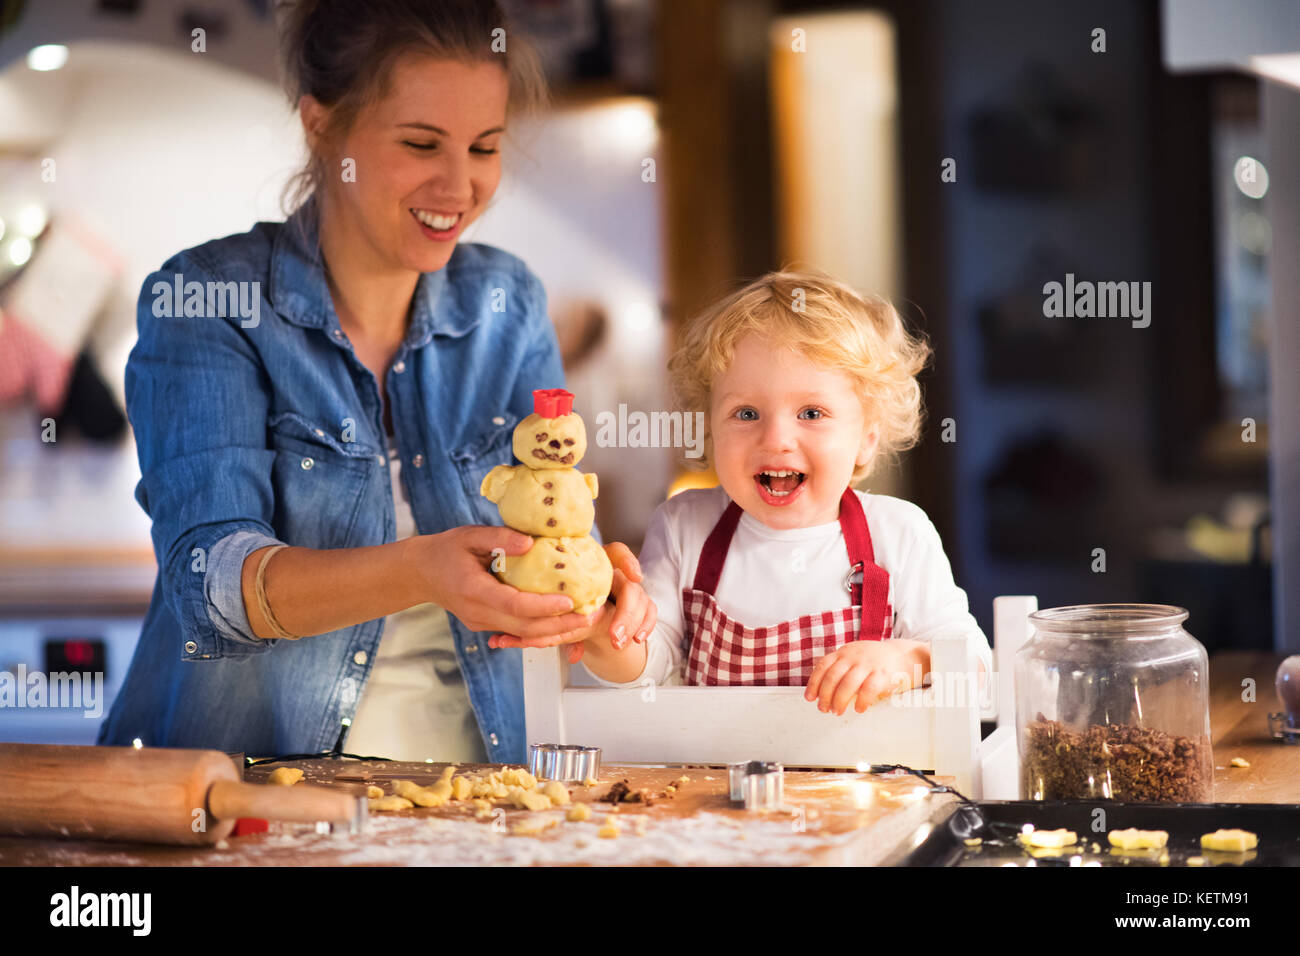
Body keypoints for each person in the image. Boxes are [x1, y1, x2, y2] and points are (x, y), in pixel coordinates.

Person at [98, 0, 652, 763]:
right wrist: (419, 570)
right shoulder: (208, 300)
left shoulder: (508, 303)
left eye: (484, 147)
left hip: (474, 801)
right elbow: (213, 586)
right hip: (247, 800)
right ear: (322, 125)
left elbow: (556, 545)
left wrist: (598, 608)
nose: (459, 185)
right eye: (421, 143)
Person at [495, 270, 992, 713]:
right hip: (718, 802)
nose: (775, 439)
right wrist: (605, 630)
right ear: (710, 429)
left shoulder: (898, 533)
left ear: (866, 438)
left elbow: (973, 664)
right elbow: (648, 664)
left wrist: (909, 659)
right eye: (746, 413)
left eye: (811, 414)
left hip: (870, 799)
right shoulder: (685, 526)